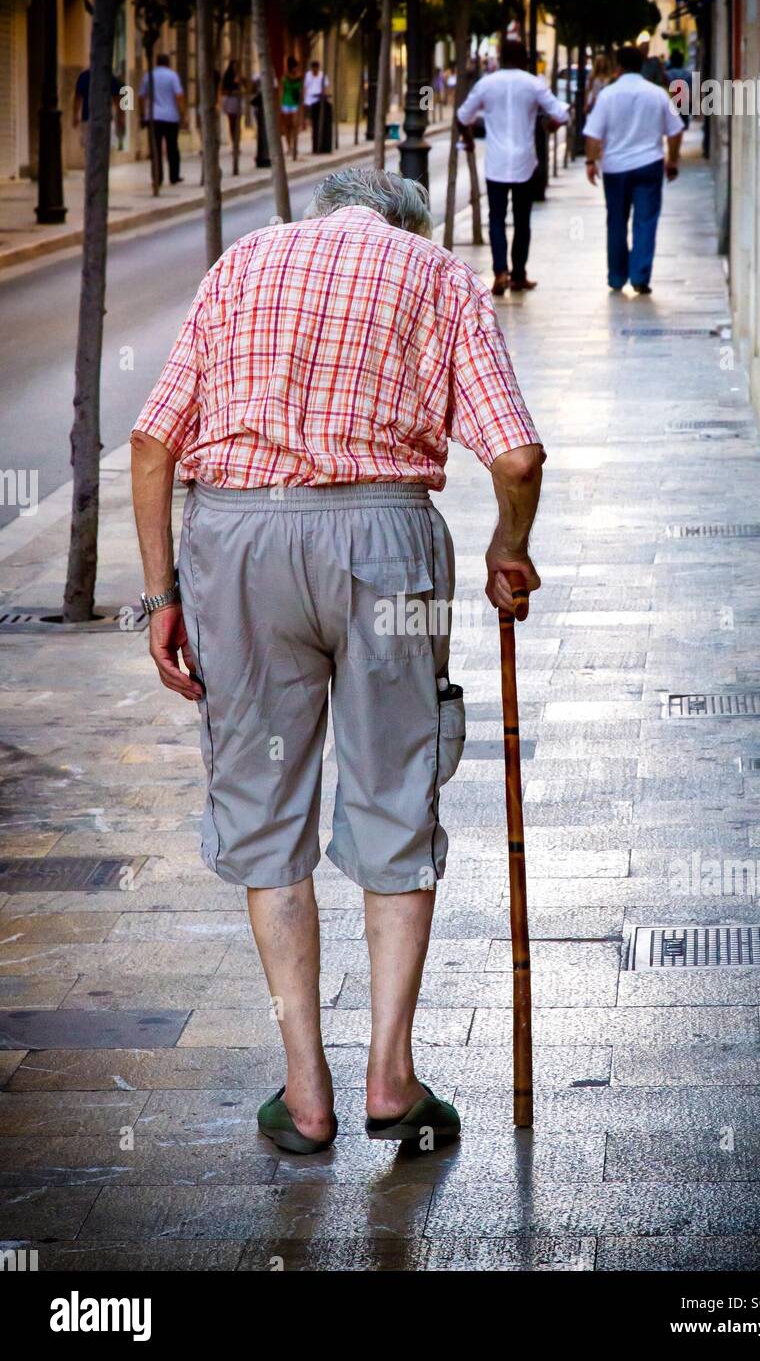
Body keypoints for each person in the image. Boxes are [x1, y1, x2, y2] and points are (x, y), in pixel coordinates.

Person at [130, 168, 544, 1154]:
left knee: (263, 814)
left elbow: (153, 443)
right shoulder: (436, 272)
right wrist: (506, 548)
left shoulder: (242, 263)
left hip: (236, 545)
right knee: (397, 795)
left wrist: (161, 595)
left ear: (317, 216)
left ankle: (304, 1089)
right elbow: (516, 456)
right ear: (406, 221)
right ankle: (390, 1079)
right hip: (383, 543)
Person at [457, 39, 568, 296]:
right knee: (522, 221)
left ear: (500, 56)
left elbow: (462, 117)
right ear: (523, 58)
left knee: (496, 219)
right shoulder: (533, 83)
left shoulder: (486, 83)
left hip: (496, 163)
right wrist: (549, 126)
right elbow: (560, 115)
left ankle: (499, 272)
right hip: (524, 163)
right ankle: (519, 275)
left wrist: (469, 140)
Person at [583, 43, 684, 296]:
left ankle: (617, 277)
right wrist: (672, 160)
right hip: (649, 165)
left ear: (618, 66)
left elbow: (594, 135)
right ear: (641, 65)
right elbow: (675, 130)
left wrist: (590, 162)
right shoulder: (659, 94)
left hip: (615, 168)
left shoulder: (608, 95)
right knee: (646, 221)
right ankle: (640, 276)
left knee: (616, 221)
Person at [140, 52, 186, 185]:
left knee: (155, 149)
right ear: (168, 63)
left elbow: (141, 97)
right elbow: (179, 96)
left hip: (153, 117)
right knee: (173, 147)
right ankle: (174, 176)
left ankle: (157, 177)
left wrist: (143, 114)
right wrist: (183, 114)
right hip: (171, 117)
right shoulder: (173, 76)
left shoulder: (148, 75)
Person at [73, 64, 123, 155]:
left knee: (89, 148)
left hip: (89, 117)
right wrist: (121, 116)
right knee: (102, 147)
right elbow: (117, 99)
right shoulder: (109, 77)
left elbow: (78, 98)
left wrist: (75, 115)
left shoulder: (84, 76)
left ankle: (91, 167)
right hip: (103, 118)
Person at [303, 59, 330, 154]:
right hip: (310, 100)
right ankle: (309, 125)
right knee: (310, 117)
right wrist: (304, 98)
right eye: (313, 68)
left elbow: (325, 88)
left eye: (316, 68)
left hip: (318, 100)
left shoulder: (323, 75)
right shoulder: (308, 75)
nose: (315, 70)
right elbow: (305, 87)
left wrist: (323, 96)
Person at [280, 56, 302, 160]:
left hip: (295, 104)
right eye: (295, 67)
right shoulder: (285, 78)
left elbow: (302, 90)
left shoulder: (299, 78)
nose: (296, 69)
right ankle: (289, 146)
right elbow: (282, 91)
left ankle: (294, 145)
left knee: (294, 125)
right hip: (286, 102)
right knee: (287, 126)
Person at [666, 48, 693, 132]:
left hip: (671, 103)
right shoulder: (687, 74)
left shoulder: (667, 74)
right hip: (683, 103)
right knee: (683, 127)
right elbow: (690, 92)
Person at [220, 59, 242, 157]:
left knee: (237, 124)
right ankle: (234, 144)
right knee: (232, 123)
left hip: (237, 100)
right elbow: (224, 89)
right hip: (230, 101)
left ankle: (237, 144)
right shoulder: (227, 76)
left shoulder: (239, 75)